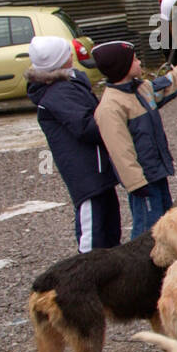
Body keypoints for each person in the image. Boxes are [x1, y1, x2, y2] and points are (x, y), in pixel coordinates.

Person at [92, 41, 177, 238]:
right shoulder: (110, 108)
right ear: (122, 67)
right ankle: (139, 268)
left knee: (166, 226)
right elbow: (120, 152)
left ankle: (165, 265)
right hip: (143, 183)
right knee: (146, 233)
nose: (140, 62)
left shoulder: (141, 89)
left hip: (156, 173)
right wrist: (136, 184)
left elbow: (168, 83)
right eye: (134, 59)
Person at [25, 36, 121, 251]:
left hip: (97, 169)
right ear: (58, 61)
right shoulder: (58, 92)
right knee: (93, 234)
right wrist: (117, 113)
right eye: (67, 52)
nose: (71, 54)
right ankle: (85, 278)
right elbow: (87, 127)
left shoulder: (67, 83)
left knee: (109, 228)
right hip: (87, 175)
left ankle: (108, 278)